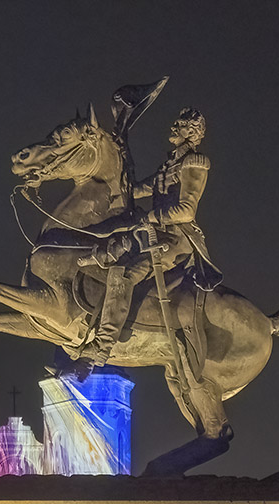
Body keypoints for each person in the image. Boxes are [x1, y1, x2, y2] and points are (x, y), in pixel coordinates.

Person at [77, 107, 222, 370]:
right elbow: (140, 189)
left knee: (125, 274)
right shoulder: (170, 164)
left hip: (177, 240)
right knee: (116, 241)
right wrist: (109, 180)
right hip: (156, 231)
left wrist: (150, 218)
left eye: (179, 124)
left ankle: (103, 345)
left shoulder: (194, 163)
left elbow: (186, 210)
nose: (173, 127)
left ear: (192, 132)